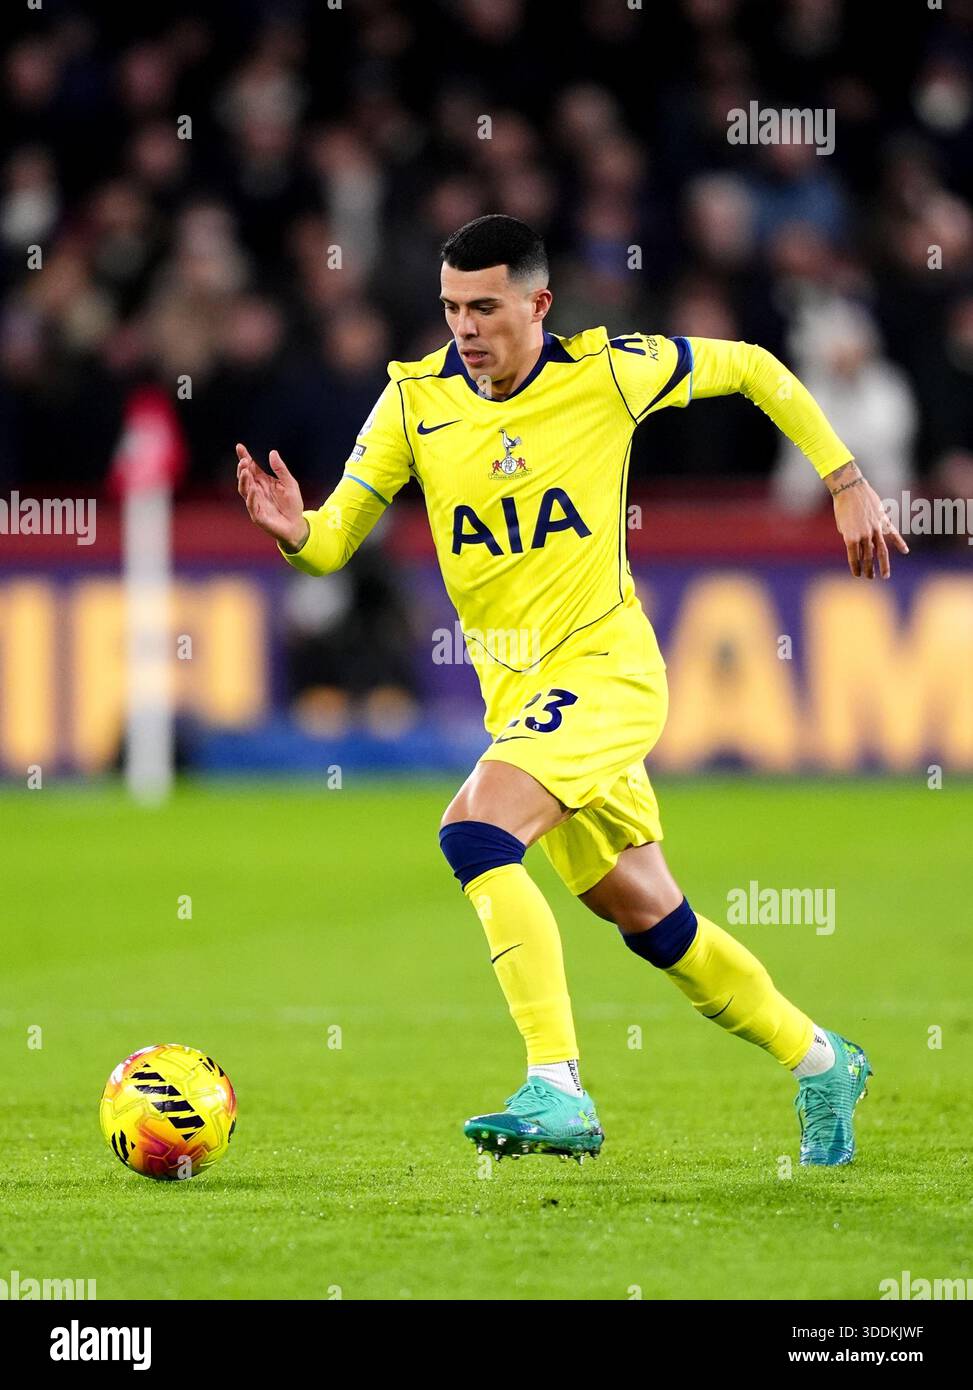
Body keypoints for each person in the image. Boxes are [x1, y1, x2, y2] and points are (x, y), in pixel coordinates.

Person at [237, 214, 908, 1168]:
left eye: (483, 306)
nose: (463, 328)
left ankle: (557, 1087)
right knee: (653, 922)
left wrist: (844, 479)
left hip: (606, 672)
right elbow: (338, 537)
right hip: (520, 702)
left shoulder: (609, 371)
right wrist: (294, 530)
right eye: (449, 308)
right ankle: (821, 1060)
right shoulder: (412, 402)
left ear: (538, 304)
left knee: (473, 832)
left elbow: (755, 364)